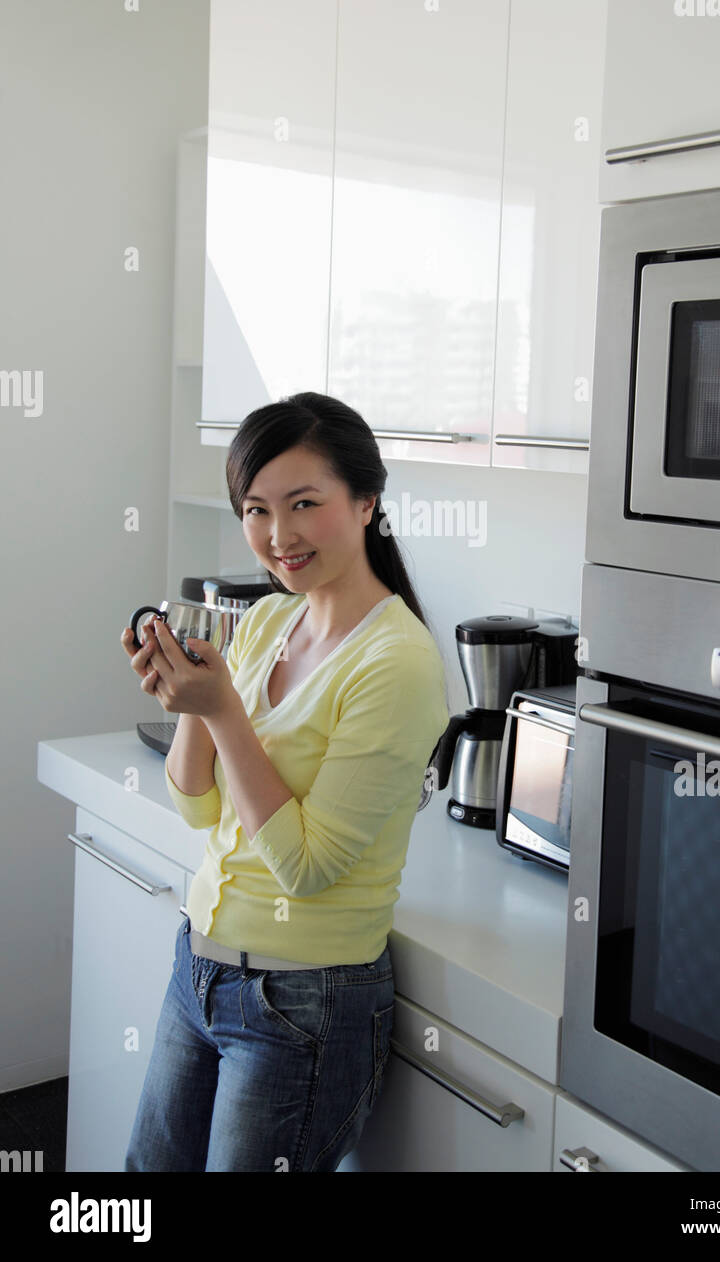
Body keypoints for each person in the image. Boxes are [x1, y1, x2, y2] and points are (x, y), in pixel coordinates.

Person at [121, 392, 450, 1172]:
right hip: (199, 966)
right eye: (257, 509)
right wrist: (190, 697)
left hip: (304, 1002)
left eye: (305, 503)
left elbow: (308, 869)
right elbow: (196, 804)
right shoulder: (270, 620)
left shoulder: (396, 663)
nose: (279, 536)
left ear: (367, 500)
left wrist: (225, 711)